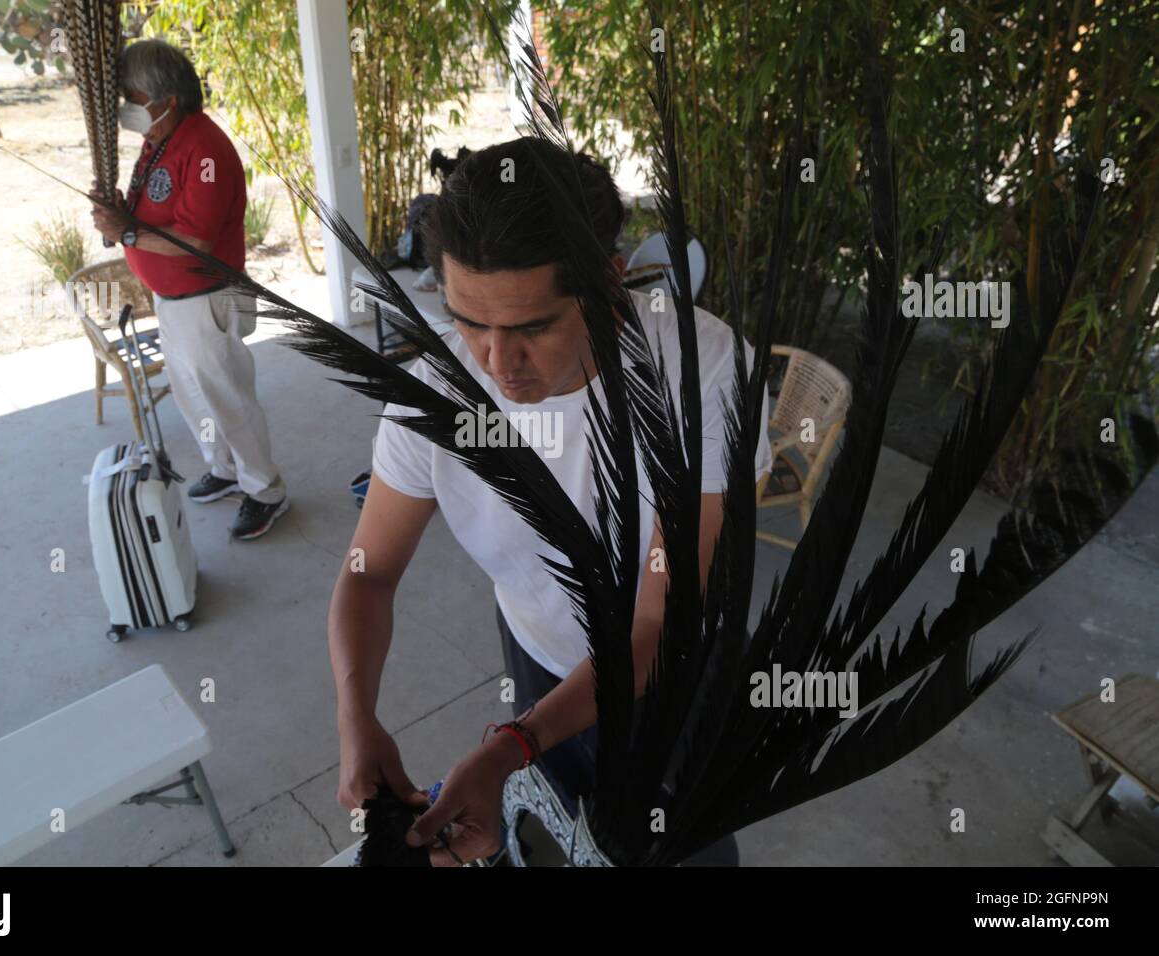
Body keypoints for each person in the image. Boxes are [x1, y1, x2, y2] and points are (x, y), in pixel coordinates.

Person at [329, 137, 773, 865]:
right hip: (538, 651)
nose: (498, 365)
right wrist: (357, 714)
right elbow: (367, 572)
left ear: (608, 281)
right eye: (470, 321)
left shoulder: (702, 374)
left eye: (532, 328)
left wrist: (511, 745)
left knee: (676, 846)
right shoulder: (437, 396)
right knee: (562, 828)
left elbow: (660, 623)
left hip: (675, 678)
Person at [90, 38, 288, 541]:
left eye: (133, 98)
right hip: (173, 300)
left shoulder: (204, 149)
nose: (128, 109)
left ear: (166, 98)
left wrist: (128, 231)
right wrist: (120, 214)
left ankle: (265, 492)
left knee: (228, 399)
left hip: (208, 297)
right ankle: (223, 468)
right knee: (193, 397)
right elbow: (152, 213)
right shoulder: (159, 139)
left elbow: (198, 240)